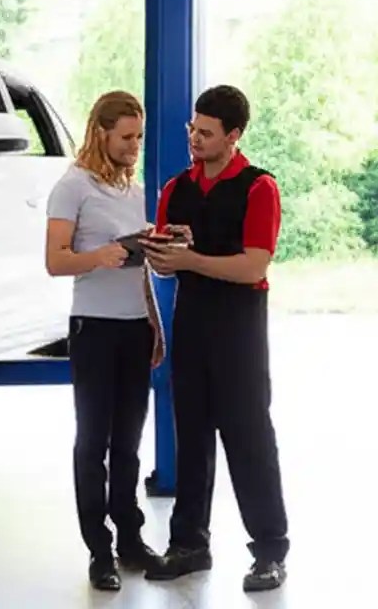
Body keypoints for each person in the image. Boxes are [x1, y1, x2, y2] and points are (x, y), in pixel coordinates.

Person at [142, 84, 289, 593]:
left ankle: (269, 551)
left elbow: (253, 266)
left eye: (206, 132)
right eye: (193, 129)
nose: (195, 139)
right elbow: (165, 267)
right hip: (191, 322)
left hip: (239, 327)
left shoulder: (258, 187)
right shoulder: (175, 189)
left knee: (249, 439)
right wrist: (162, 253)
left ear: (233, 135)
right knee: (192, 437)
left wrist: (191, 258)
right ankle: (189, 544)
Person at [44, 90, 167, 591]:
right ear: (101, 133)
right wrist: (99, 256)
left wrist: (154, 322)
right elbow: (55, 260)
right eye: (127, 138)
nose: (135, 146)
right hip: (94, 328)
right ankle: (99, 550)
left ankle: (130, 540)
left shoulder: (133, 191)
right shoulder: (72, 187)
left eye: (139, 137)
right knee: (93, 441)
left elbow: (140, 270)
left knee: (129, 443)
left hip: (135, 327)